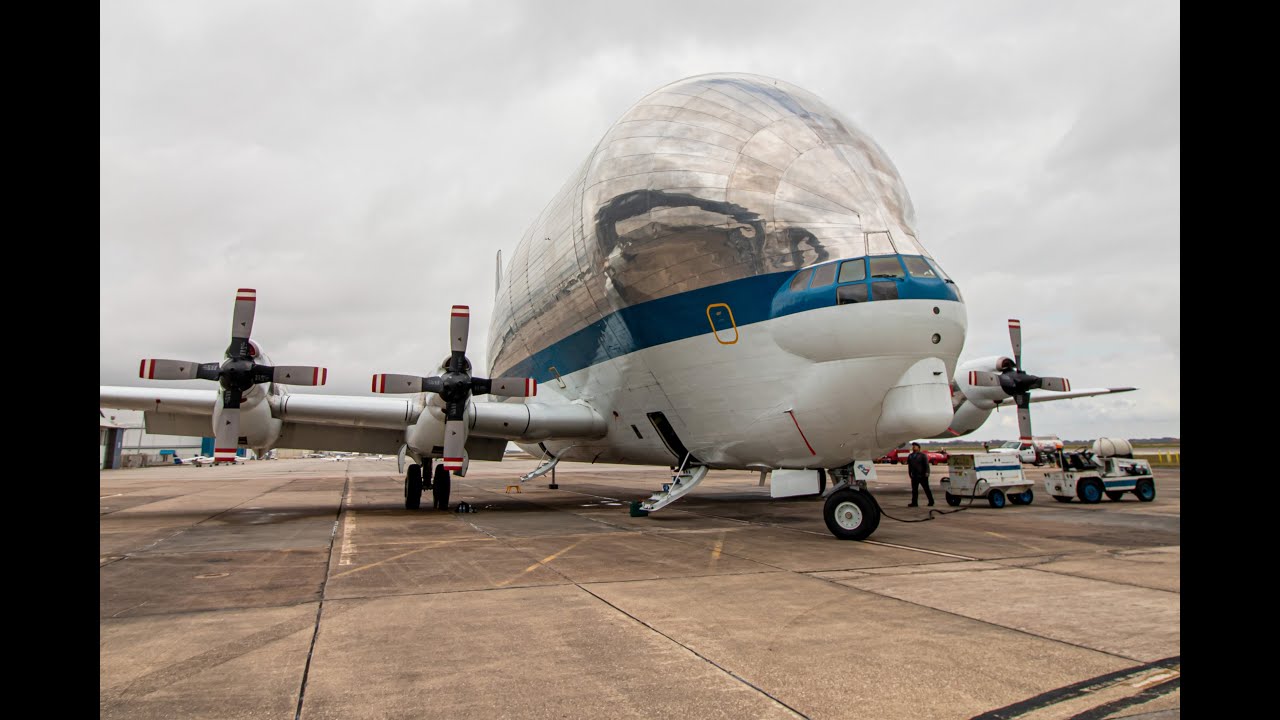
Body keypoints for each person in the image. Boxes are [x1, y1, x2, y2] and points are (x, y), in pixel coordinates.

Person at [906, 442, 934, 507]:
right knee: (914, 490)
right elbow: (909, 466)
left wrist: (927, 473)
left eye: (915, 446)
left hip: (922, 475)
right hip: (914, 475)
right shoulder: (910, 456)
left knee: (926, 489)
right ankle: (914, 503)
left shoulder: (922, 455)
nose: (913, 447)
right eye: (913, 446)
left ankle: (931, 501)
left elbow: (926, 465)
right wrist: (910, 473)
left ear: (918, 448)